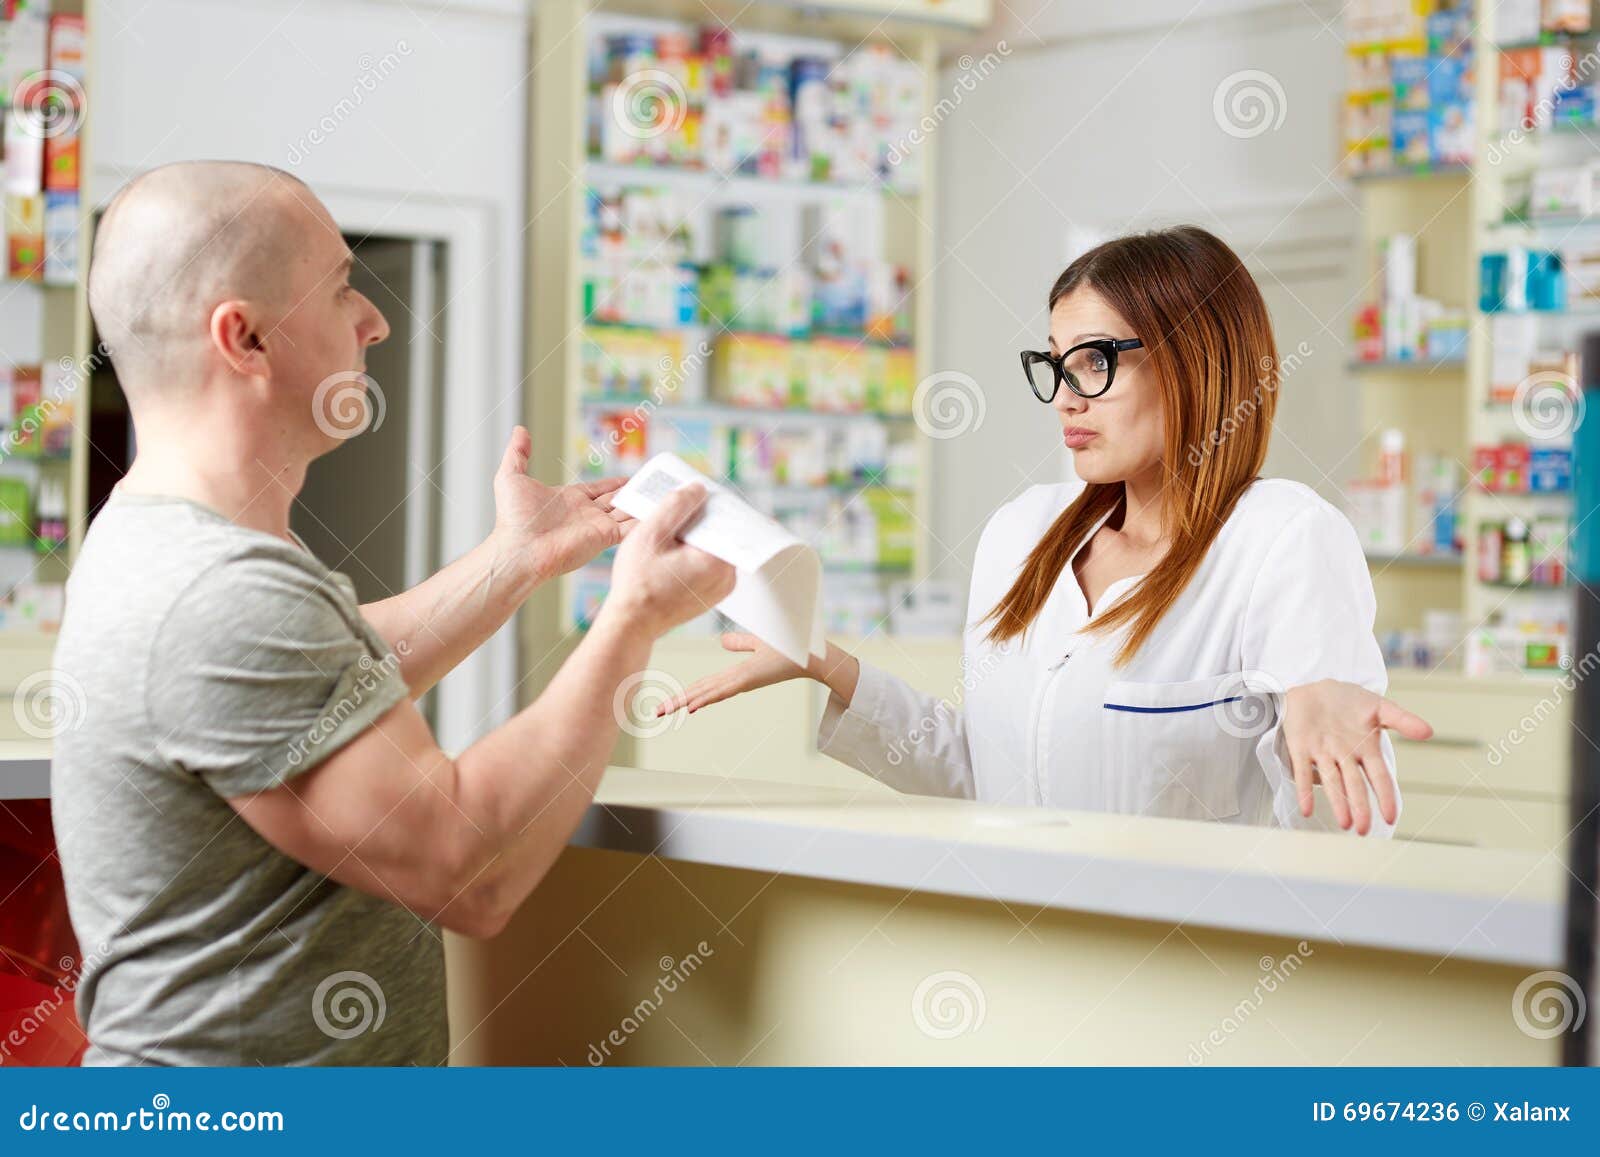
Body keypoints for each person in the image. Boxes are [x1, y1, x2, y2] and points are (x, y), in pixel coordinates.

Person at [50, 160, 735, 1065]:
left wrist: (512, 563)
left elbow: (316, 691)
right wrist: (631, 619)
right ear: (244, 339)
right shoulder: (219, 594)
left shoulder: (159, 543)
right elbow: (469, 868)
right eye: (341, 289)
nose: (374, 318)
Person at [659, 226, 1432, 836]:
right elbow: (988, 781)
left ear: (1196, 361)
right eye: (1056, 363)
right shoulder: (1021, 534)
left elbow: (1346, 845)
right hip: (1024, 952)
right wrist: (826, 665)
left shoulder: (1284, 538)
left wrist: (1311, 714)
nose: (1065, 397)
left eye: (1094, 361)